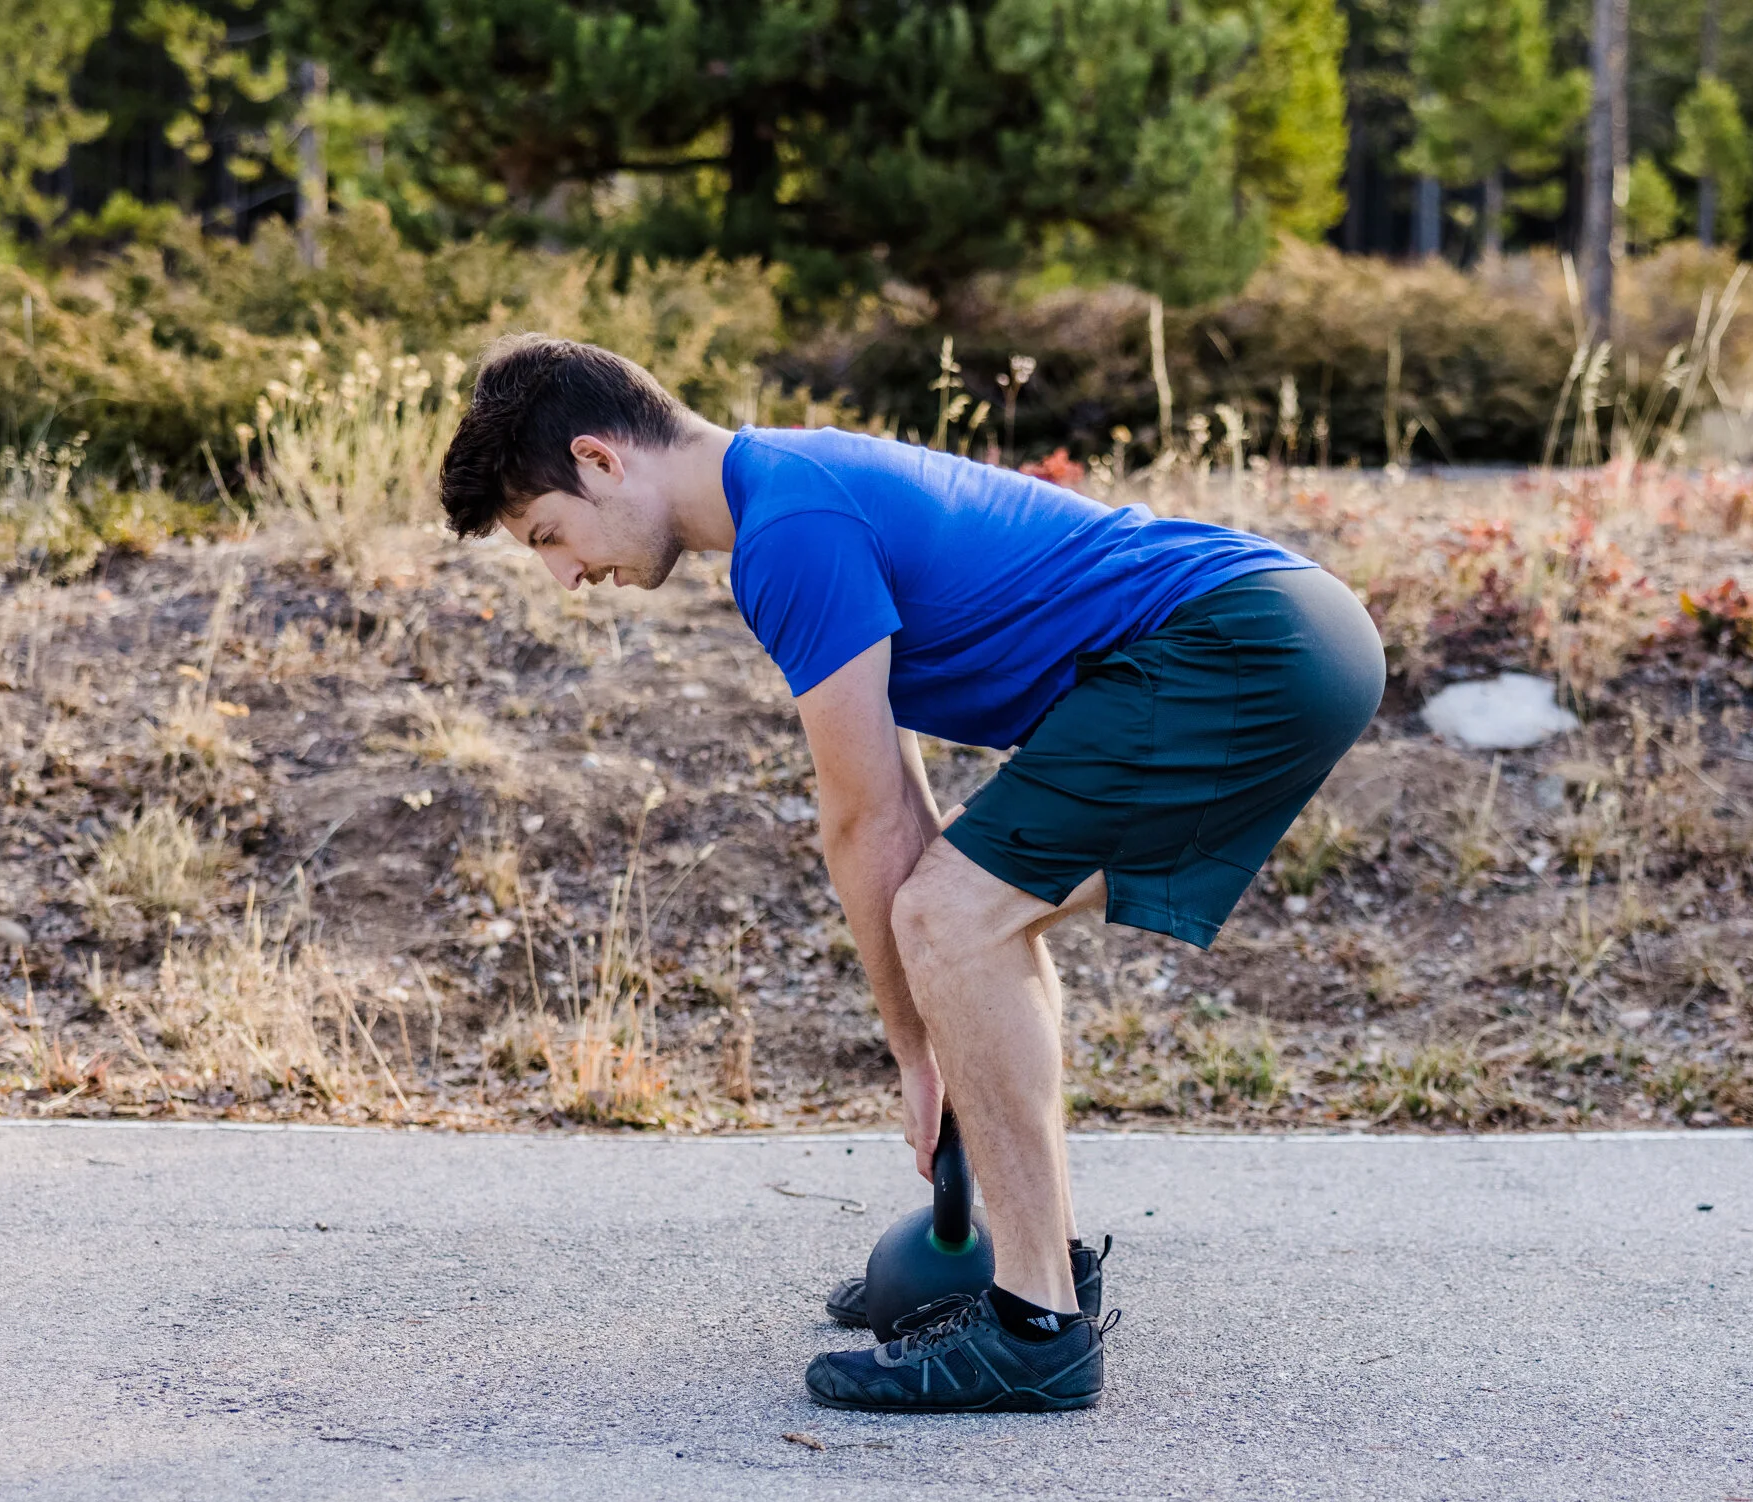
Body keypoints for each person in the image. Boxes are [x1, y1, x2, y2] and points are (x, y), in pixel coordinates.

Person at [439, 335, 1384, 1413]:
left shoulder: (788, 531)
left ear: (602, 460)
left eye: (550, 536)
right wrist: (927, 1029)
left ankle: (1035, 1328)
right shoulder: (788, 489)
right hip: (1278, 626)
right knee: (970, 914)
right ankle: (1038, 1262)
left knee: (950, 920)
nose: (566, 578)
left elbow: (862, 817)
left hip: (1245, 640)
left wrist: (912, 1054)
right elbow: (902, 793)